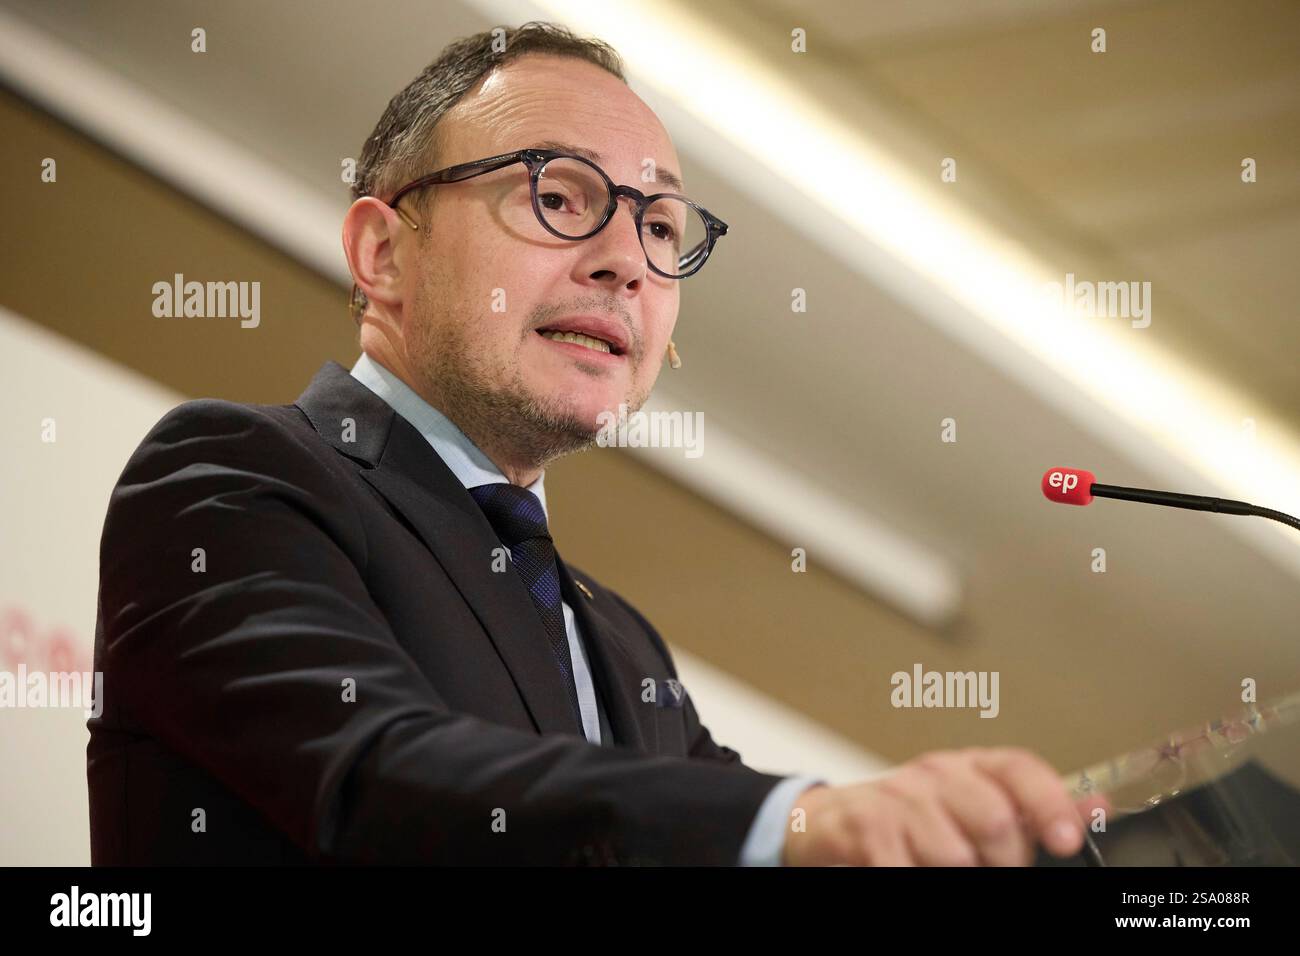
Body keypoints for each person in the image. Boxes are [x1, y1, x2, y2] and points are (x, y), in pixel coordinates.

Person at [88, 21, 1103, 866]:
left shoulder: (619, 644)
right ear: (384, 252)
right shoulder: (231, 479)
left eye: (660, 227)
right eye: (560, 197)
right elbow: (375, 773)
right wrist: (801, 820)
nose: (625, 262)